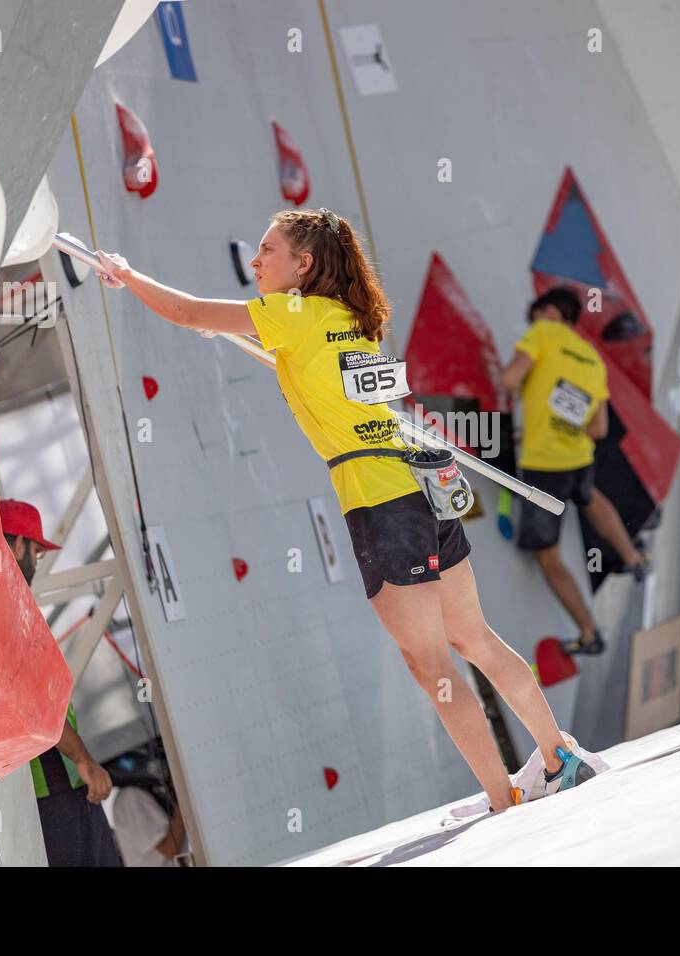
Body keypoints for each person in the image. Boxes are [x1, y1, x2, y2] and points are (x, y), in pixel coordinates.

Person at [91, 207, 595, 811]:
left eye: (268, 251)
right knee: (474, 638)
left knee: (429, 663)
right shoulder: (351, 317)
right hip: (423, 483)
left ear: (303, 264)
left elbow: (189, 312)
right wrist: (245, 331)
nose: (255, 261)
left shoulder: (292, 314)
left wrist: (126, 274)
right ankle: (559, 759)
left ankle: (502, 799)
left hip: (381, 498)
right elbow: (316, 373)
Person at [498, 287, 649, 655]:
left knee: (548, 558)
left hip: (544, 464)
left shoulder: (543, 332)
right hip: (578, 457)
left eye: (535, 316)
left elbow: (509, 379)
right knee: (589, 496)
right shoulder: (592, 358)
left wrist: (529, 408)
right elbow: (598, 429)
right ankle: (633, 558)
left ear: (550, 312)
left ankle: (588, 633)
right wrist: (554, 422)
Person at [0, 498, 121, 866]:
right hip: (53, 784)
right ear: (18, 544)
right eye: (36, 552)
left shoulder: (6, 606)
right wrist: (83, 759)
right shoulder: (6, 610)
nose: (37, 562)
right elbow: (34, 702)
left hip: (50, 788)